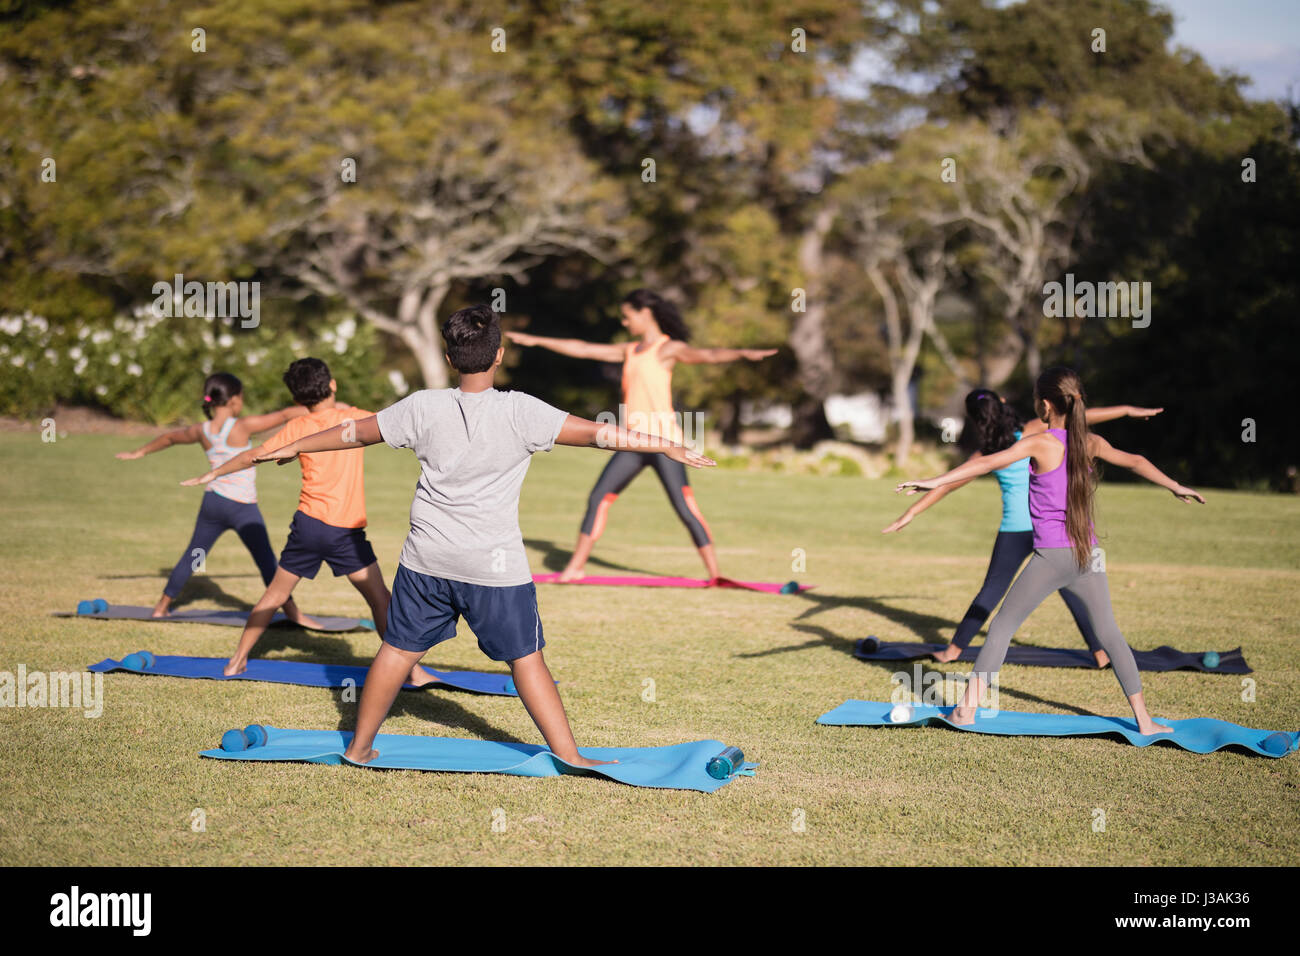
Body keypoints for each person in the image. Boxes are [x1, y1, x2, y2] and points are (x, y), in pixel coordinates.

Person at [250, 305, 714, 766]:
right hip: (494, 567)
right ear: (499, 356)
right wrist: (665, 444)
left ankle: (357, 747)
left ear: (451, 359)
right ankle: (571, 755)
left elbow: (350, 433)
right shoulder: (522, 411)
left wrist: (293, 443)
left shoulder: (421, 406)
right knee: (527, 659)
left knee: (396, 651)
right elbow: (600, 435)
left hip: (426, 561)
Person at [897, 367, 1203, 734]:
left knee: (1002, 627)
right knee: (1110, 634)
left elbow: (984, 462)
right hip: (1087, 555)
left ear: (1045, 405)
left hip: (1052, 557)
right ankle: (1144, 720)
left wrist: (929, 481)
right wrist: (1175, 486)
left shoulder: (1041, 443)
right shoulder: (1089, 441)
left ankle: (965, 711)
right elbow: (1135, 460)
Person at [182, 359, 430, 685]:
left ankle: (236, 661)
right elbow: (397, 423)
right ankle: (411, 672)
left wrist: (214, 471)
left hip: (309, 526)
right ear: (333, 385)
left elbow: (252, 455)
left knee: (274, 596)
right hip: (344, 531)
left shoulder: (297, 427)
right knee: (380, 599)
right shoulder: (351, 417)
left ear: (298, 399)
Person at [507, 288, 775, 582]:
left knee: (684, 507)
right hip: (633, 443)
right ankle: (575, 568)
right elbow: (582, 348)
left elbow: (707, 355)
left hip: (667, 445)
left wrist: (741, 353)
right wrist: (535, 340)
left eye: (627, 316)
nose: (624, 323)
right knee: (599, 498)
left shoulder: (667, 349)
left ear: (645, 313)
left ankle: (716, 575)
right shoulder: (629, 350)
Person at [884, 388, 1163, 664]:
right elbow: (1080, 416)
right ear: (1003, 403)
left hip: (1015, 530)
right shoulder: (1032, 430)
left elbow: (945, 487)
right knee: (1069, 587)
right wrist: (1125, 410)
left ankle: (952, 651)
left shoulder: (987, 453)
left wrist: (911, 512)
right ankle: (1100, 652)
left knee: (992, 590)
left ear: (975, 420)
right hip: (1052, 527)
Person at [116, 372, 315, 622]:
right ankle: (294, 613)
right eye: (241, 397)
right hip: (243, 508)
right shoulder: (243, 426)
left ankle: (161, 607)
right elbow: (286, 415)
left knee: (194, 554)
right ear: (233, 400)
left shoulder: (202, 430)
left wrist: (139, 452)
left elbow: (169, 438)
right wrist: (323, 408)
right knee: (266, 561)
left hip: (213, 504)